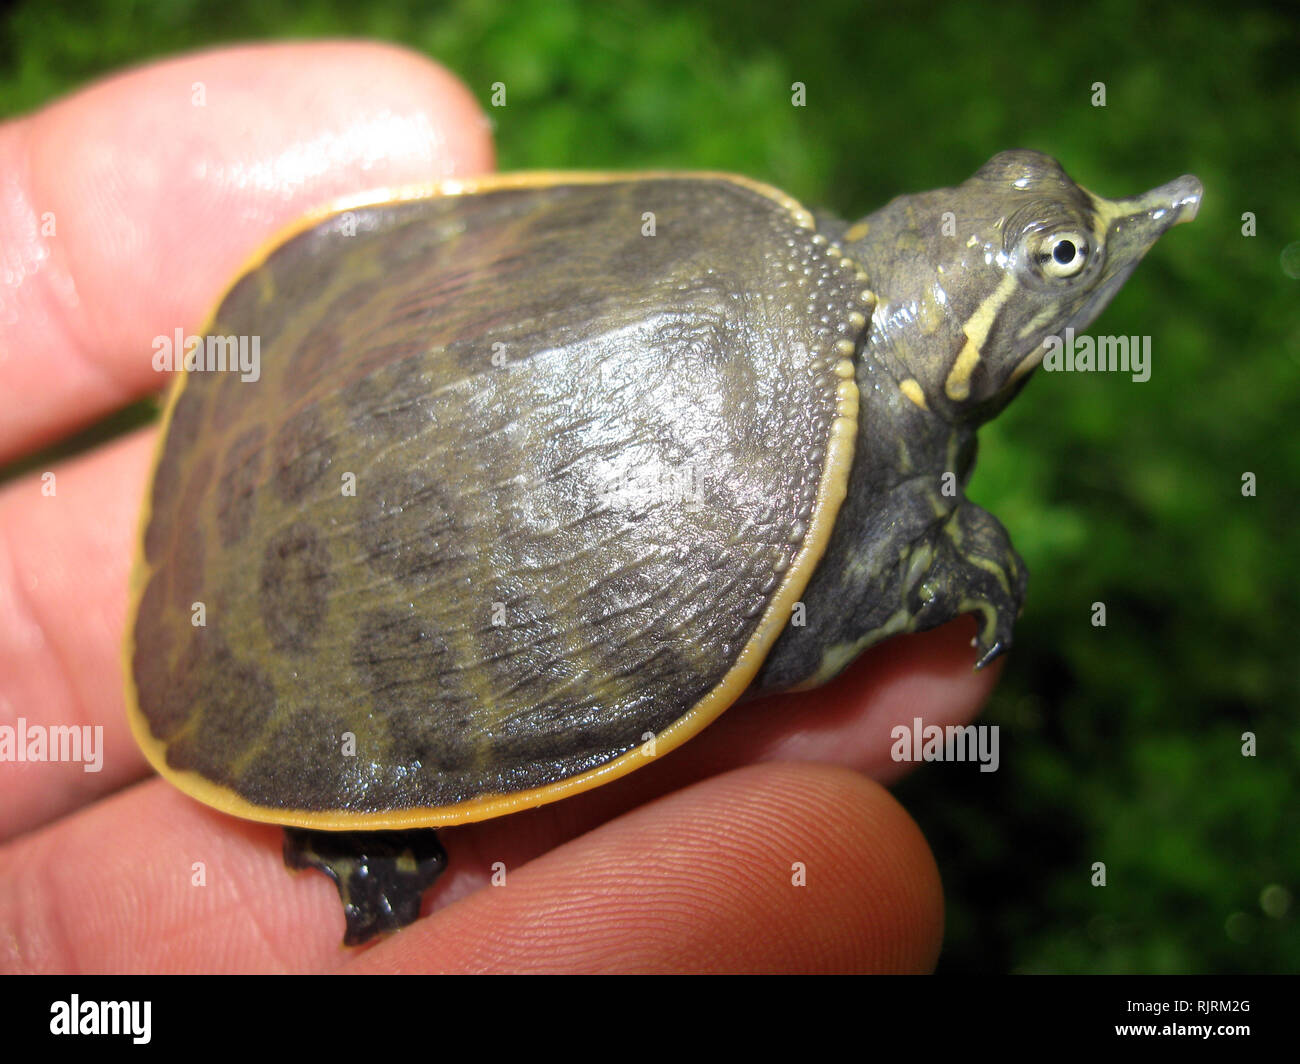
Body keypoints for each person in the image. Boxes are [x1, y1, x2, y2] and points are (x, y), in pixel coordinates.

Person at [0, 41, 999, 973]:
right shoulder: (808, 325)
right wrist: (940, 569)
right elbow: (797, 639)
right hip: (309, 538)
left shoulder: (761, 231)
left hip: (292, 375)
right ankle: (352, 821)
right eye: (1058, 264)